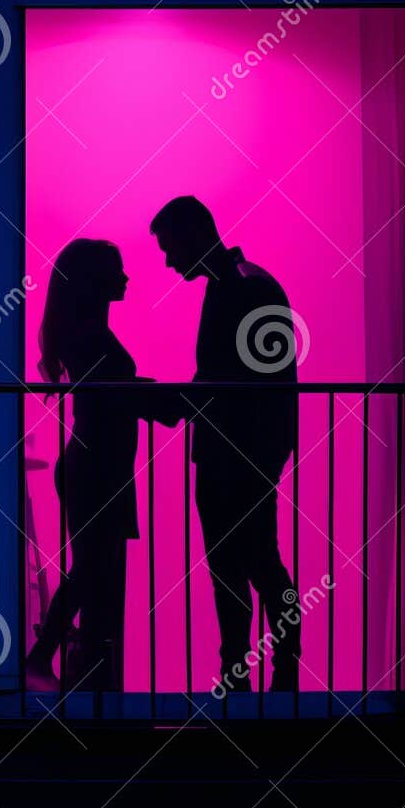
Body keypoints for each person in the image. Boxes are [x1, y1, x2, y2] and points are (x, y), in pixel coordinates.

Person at [150, 196, 300, 692]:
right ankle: (267, 668)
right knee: (252, 559)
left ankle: (250, 671)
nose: (170, 261)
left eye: (172, 247)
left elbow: (232, 380)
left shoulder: (239, 288)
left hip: (235, 453)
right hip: (240, 450)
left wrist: (171, 402)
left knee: (242, 562)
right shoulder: (242, 284)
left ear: (195, 234)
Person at [26, 239, 174, 691]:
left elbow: (116, 388)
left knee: (98, 568)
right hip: (97, 467)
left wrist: (157, 397)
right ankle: (45, 655)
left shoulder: (85, 334)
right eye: (116, 270)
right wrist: (172, 400)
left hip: (99, 465)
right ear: (93, 281)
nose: (125, 278)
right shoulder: (91, 336)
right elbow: (116, 392)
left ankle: (82, 662)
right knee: (94, 566)